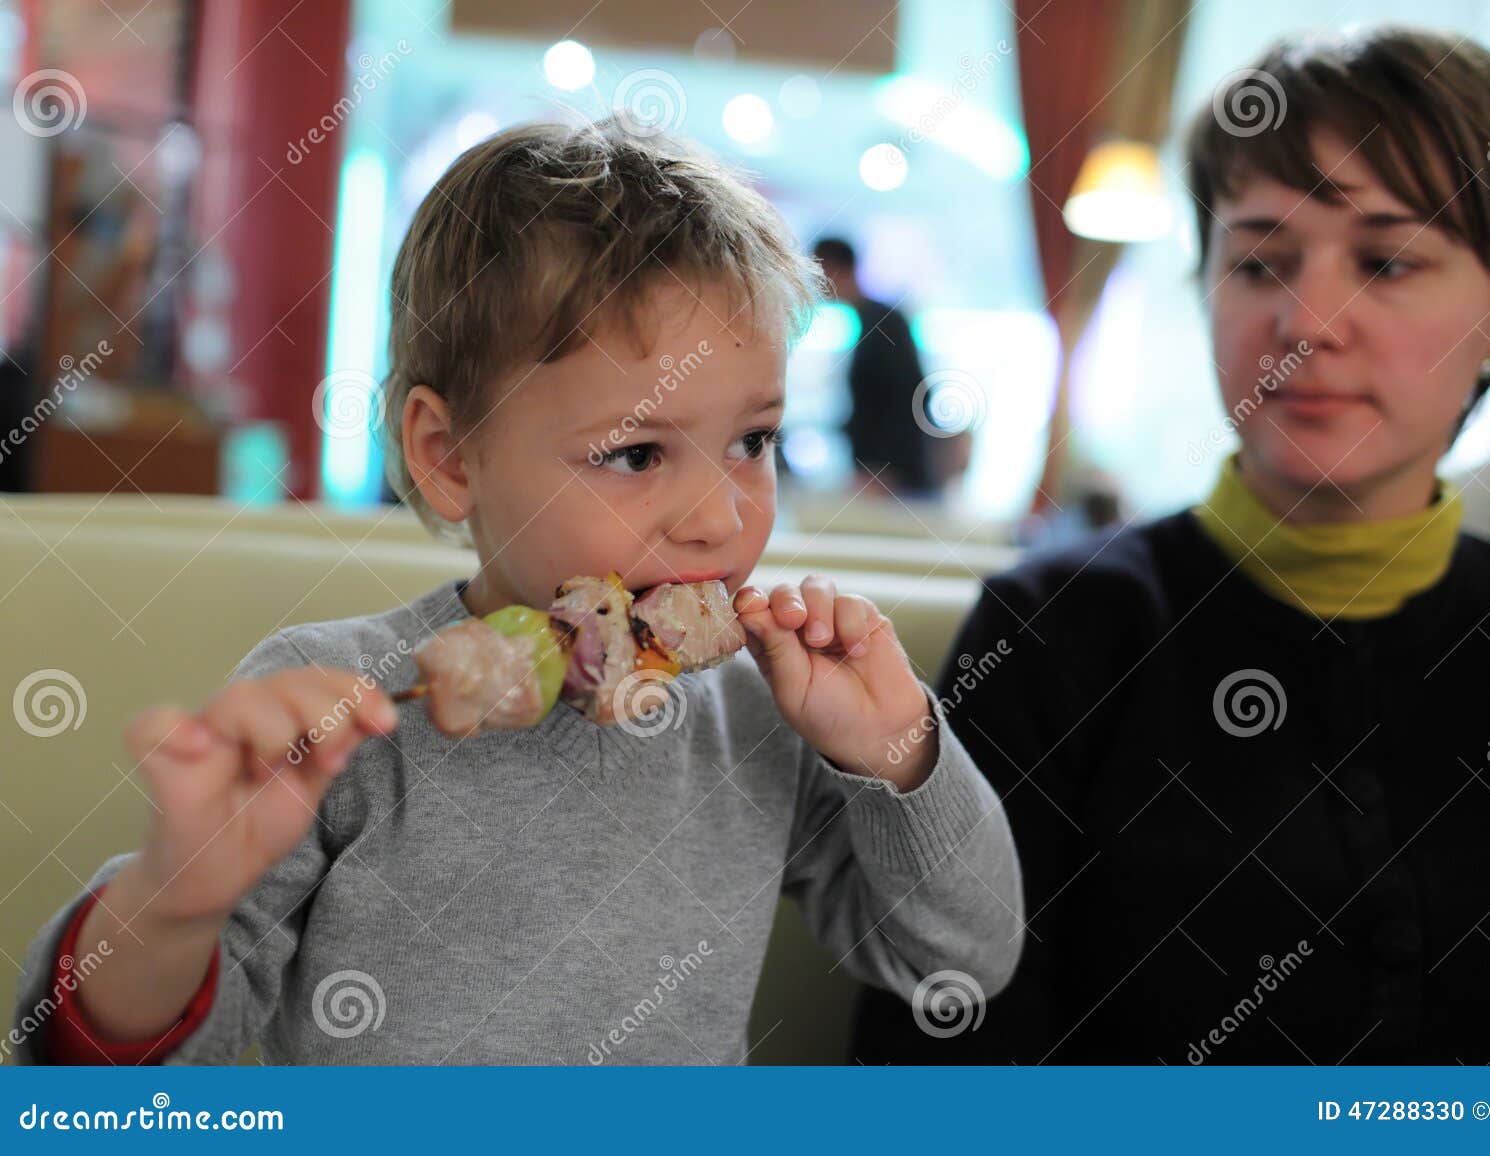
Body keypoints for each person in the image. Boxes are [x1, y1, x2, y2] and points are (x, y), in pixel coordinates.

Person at [9, 120, 1022, 1065]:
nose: (719, 517)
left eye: (752, 441)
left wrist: (899, 752)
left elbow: (958, 963)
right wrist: (174, 903)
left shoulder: (761, 722)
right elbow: (111, 1082)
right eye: (634, 452)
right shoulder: (333, 710)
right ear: (449, 458)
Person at [854, 25, 1490, 1064]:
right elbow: (941, 1050)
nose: (1305, 318)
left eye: (1385, 261)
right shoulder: (1061, 628)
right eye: (1258, 259)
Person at [813, 237, 940, 497]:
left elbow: (913, 396)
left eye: (817, 271)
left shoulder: (885, 322)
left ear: (832, 269)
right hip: (878, 473)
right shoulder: (869, 321)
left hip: (893, 479)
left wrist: (885, 469)